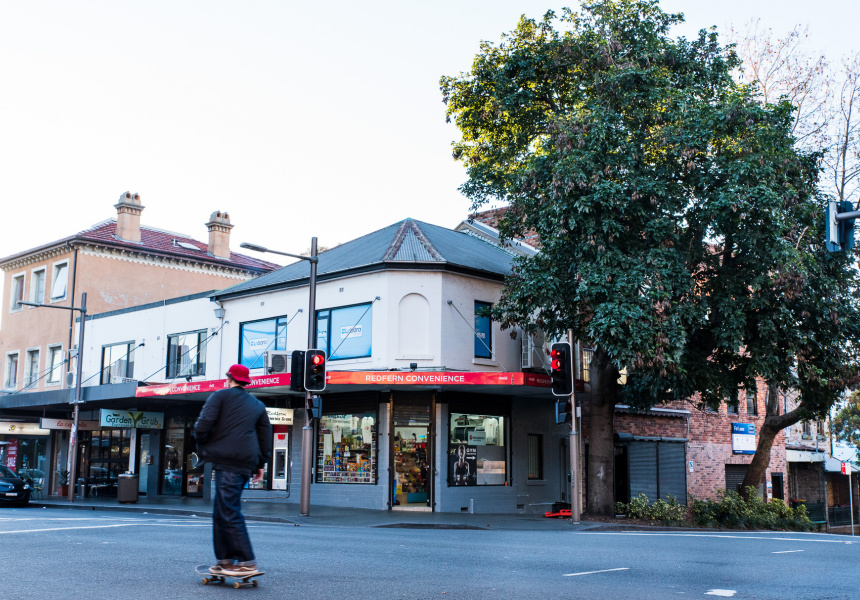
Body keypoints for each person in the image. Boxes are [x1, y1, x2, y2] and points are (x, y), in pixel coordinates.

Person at [194, 364, 272, 577]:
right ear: (246, 382)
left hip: (227, 462)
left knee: (228, 510)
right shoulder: (257, 405)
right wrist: (260, 465)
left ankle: (247, 561)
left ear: (229, 378)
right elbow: (265, 436)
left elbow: (203, 425)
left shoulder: (220, 396)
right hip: (244, 464)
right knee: (221, 512)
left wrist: (202, 447)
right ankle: (224, 560)